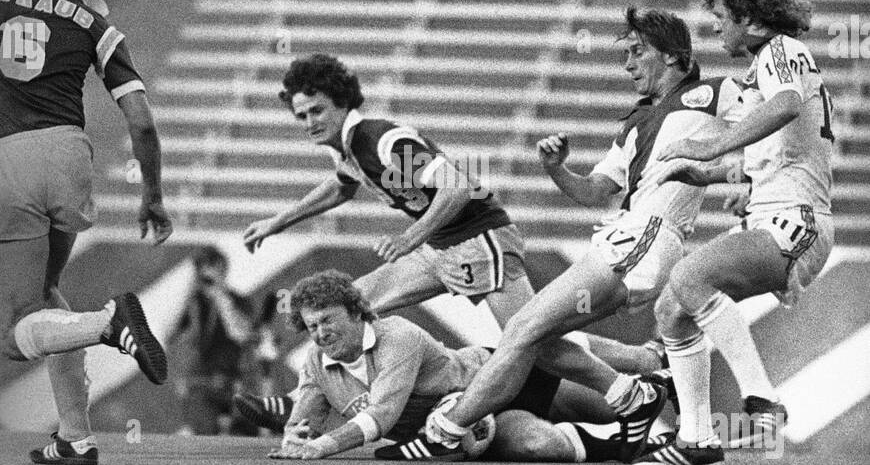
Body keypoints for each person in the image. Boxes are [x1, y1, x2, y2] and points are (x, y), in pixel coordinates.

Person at [240, 53, 665, 411]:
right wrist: (278, 222)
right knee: (354, 302)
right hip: (442, 246)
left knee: (535, 339)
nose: (310, 122)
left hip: (479, 240)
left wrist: (411, 237)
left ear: (341, 104)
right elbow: (340, 185)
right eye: (302, 116)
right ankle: (299, 404)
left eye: (317, 111)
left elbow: (458, 185)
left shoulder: (377, 139)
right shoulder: (351, 151)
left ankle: (633, 387)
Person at [423, 8, 743, 456]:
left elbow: (768, 124)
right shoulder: (636, 120)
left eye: (637, 52)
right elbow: (594, 191)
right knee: (538, 334)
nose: (628, 64)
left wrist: (742, 179)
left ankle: (447, 430)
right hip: (622, 233)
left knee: (525, 326)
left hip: (648, 235)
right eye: (626, 53)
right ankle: (638, 389)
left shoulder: (714, 92)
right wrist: (557, 170)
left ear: (673, 57)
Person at [630, 0, 834, 465]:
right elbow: (779, 144)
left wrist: (711, 147)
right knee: (671, 311)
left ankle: (762, 403)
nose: (717, 29)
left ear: (749, 17)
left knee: (690, 275)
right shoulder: (761, 69)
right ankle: (697, 439)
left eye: (721, 17)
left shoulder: (782, 51)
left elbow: (788, 104)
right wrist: (711, 173)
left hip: (798, 219)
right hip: (773, 214)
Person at [0, 0, 172, 465]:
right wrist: (152, 195)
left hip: (9, 160)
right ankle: (76, 434)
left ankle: (108, 324)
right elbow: (141, 122)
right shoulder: (96, 21)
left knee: (12, 331)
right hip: (69, 156)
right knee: (47, 292)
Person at [265, 270, 667, 464]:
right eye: (312, 325)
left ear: (356, 313)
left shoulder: (396, 336)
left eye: (328, 320)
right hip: (463, 430)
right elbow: (307, 416)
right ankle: (628, 448)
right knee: (540, 446)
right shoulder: (317, 363)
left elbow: (382, 416)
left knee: (609, 403)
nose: (319, 333)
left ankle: (666, 383)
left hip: (498, 381)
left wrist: (324, 447)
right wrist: (295, 438)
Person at [172, 246, 259, 435]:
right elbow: (170, 335)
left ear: (223, 269)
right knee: (205, 432)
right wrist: (189, 294)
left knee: (245, 434)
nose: (208, 274)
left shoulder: (238, 301)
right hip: (200, 383)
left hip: (234, 383)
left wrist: (221, 297)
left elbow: (242, 335)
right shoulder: (193, 304)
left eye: (213, 267)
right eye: (202, 268)